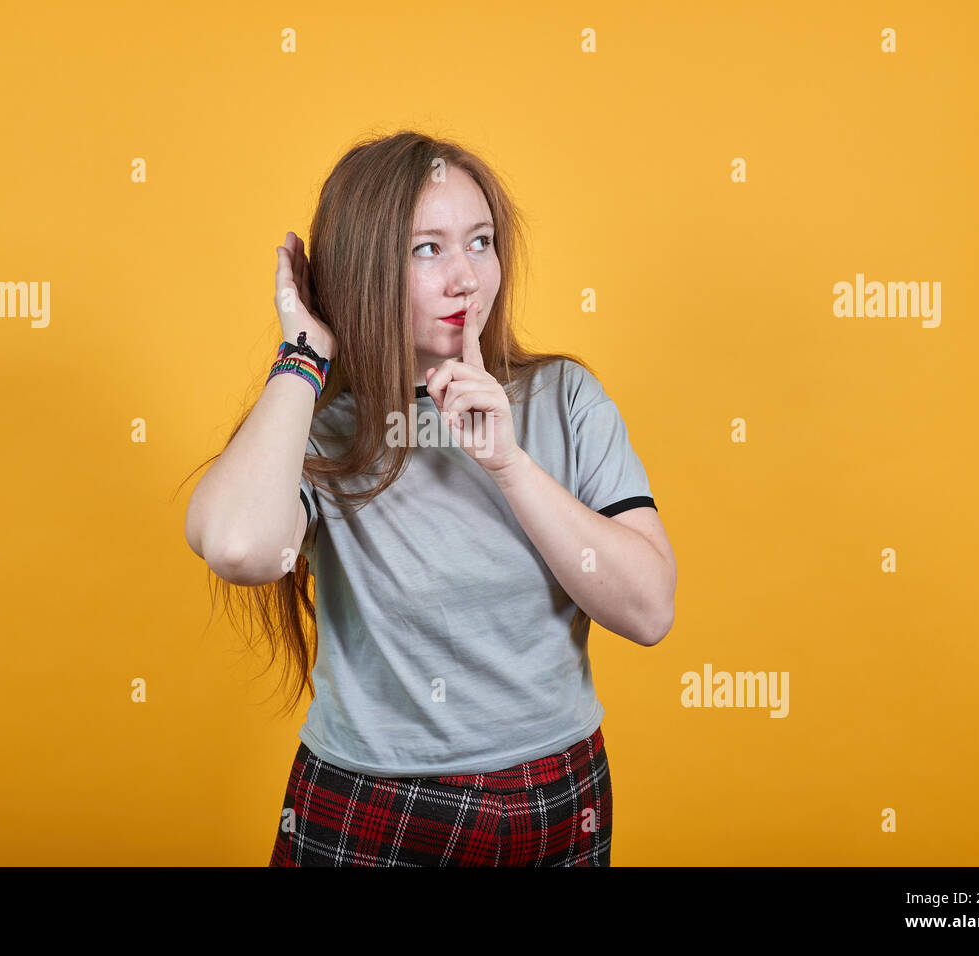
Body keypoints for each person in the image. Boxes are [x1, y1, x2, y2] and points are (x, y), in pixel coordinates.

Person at [182, 130, 677, 866]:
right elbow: (236, 546)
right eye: (427, 250)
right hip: (377, 801)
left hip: (558, 793)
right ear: (362, 270)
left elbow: (649, 609)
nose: (466, 279)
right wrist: (304, 357)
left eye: (480, 242)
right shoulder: (319, 431)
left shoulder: (565, 398)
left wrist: (508, 463)